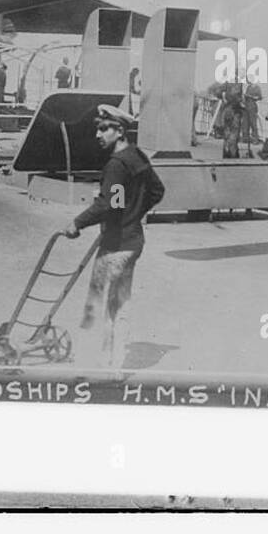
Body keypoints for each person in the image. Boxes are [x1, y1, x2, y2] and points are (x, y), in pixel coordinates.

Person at [60, 105, 166, 367]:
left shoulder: (117, 165)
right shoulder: (137, 156)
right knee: (120, 302)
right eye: (98, 127)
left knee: (97, 303)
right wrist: (135, 211)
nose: (98, 133)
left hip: (115, 244)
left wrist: (77, 222)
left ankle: (97, 362)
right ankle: (115, 365)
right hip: (133, 242)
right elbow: (157, 191)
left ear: (119, 131)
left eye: (104, 128)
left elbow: (111, 205)